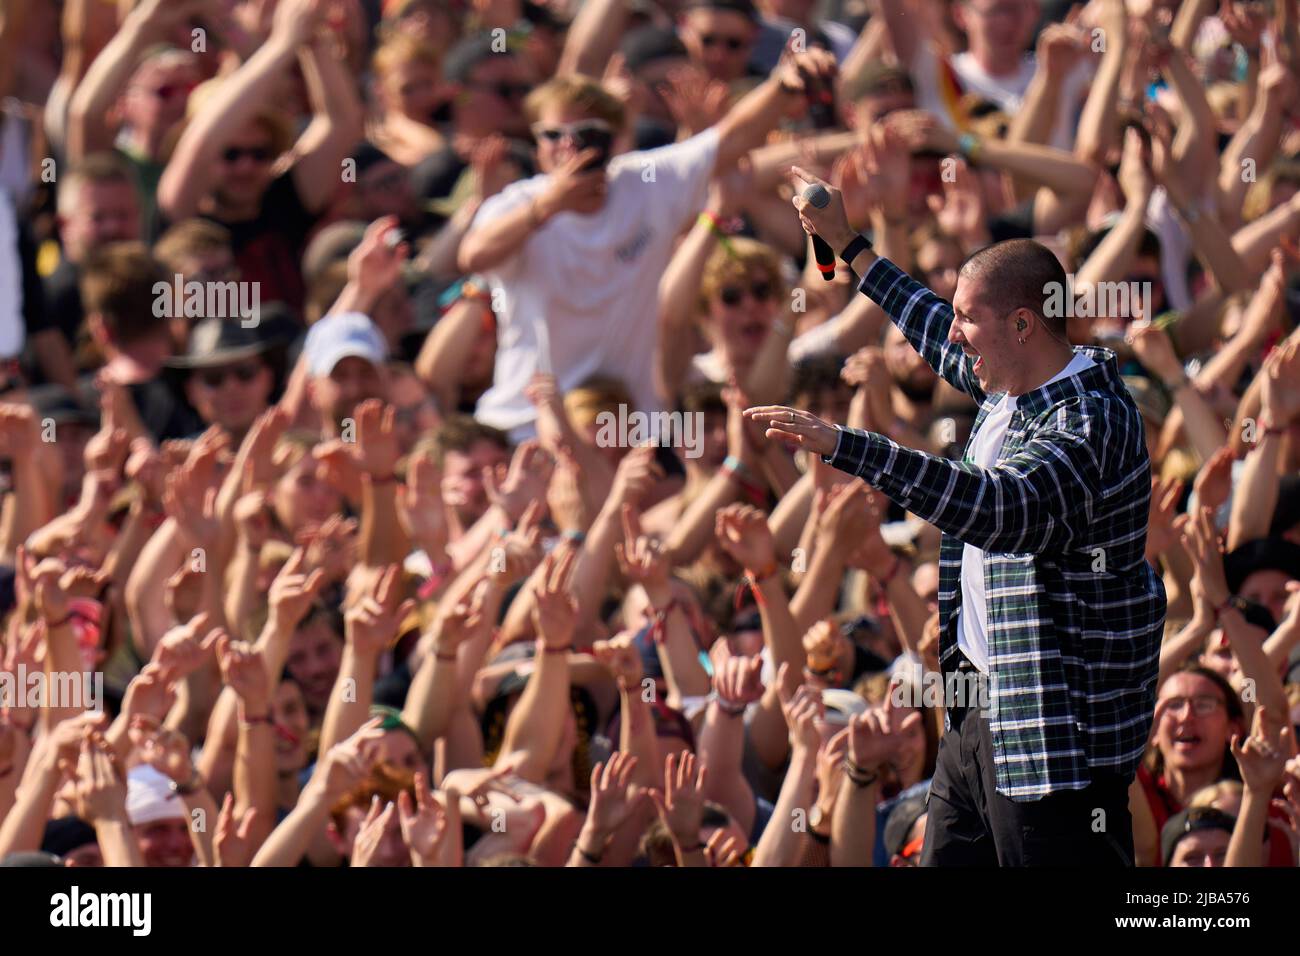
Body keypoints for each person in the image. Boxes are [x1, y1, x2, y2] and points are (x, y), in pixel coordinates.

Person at [746, 167, 1166, 865]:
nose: (957, 333)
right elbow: (932, 327)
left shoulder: (1091, 419)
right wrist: (848, 243)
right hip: (976, 708)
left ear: (1024, 324)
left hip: (1053, 731)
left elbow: (997, 508)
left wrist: (847, 446)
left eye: (971, 317)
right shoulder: (1014, 378)